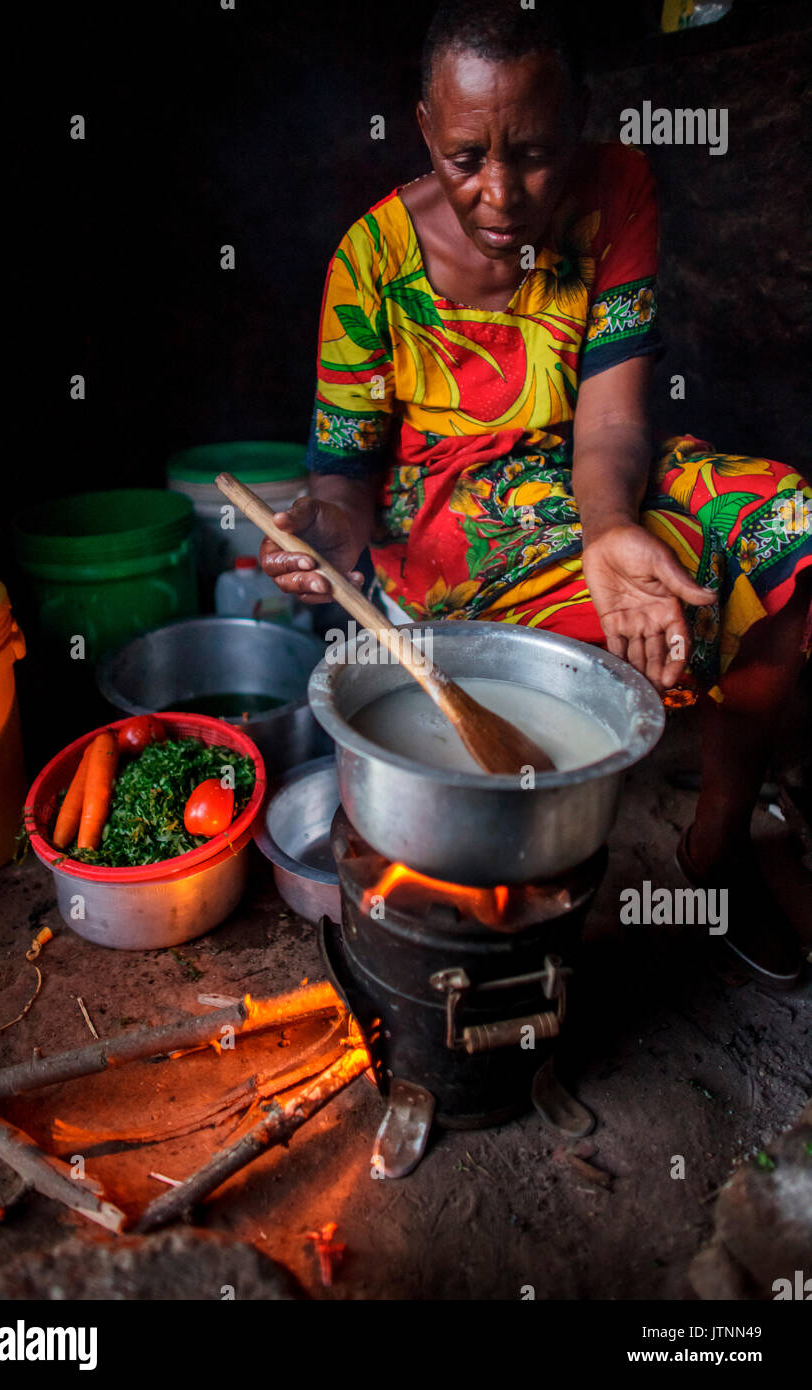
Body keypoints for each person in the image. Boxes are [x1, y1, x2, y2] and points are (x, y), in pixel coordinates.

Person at [260, 0, 812, 986]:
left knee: (784, 530)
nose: (501, 192)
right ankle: (509, 912)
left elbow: (607, 421)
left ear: (580, 121)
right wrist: (324, 534)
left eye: (536, 152)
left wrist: (607, 530)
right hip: (448, 519)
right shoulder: (369, 263)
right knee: (611, 628)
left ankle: (716, 852)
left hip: (594, 461)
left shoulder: (621, 188)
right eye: (466, 156)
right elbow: (343, 476)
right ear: (425, 129)